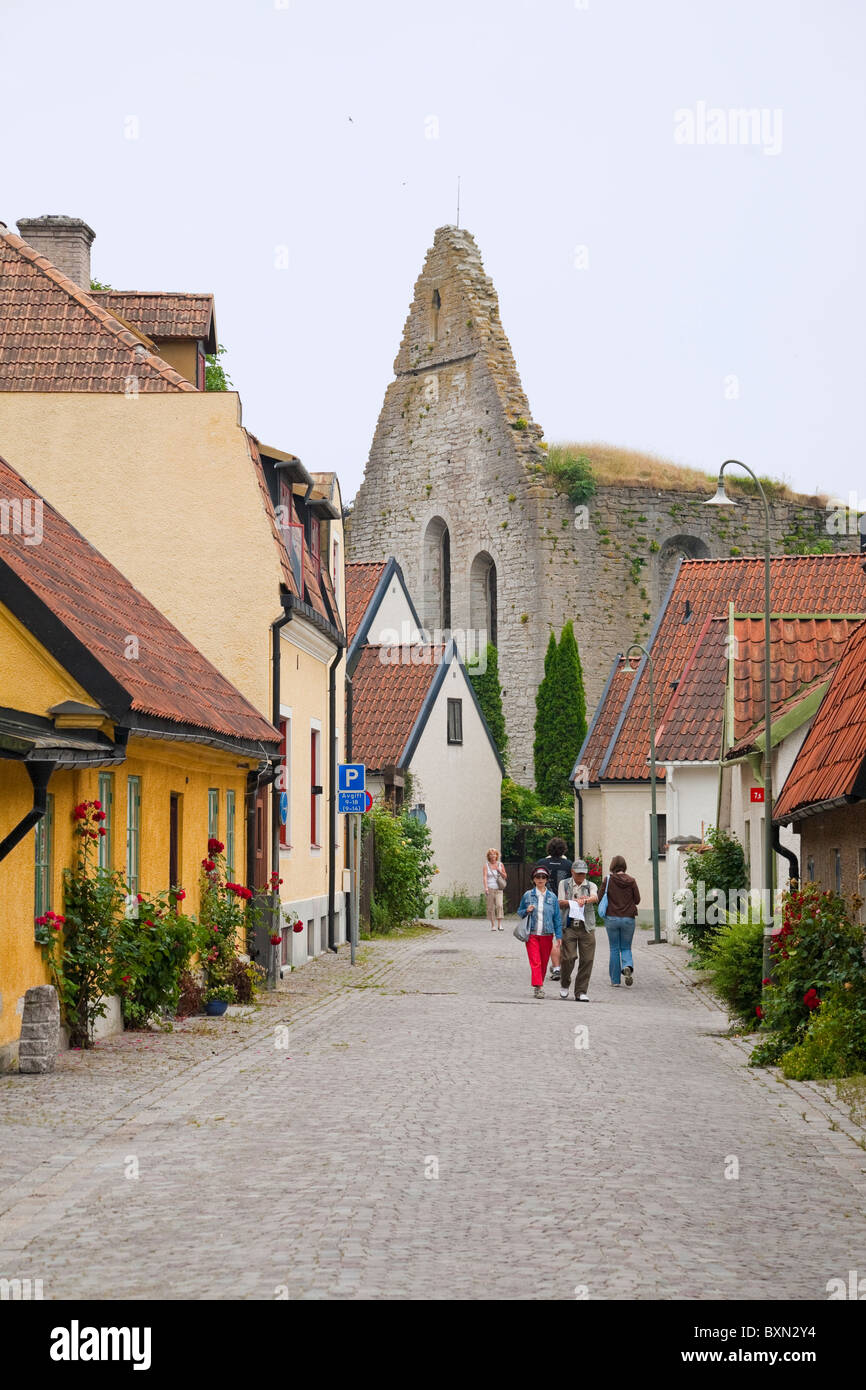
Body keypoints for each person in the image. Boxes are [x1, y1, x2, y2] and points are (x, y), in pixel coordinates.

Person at [517, 867, 561, 999]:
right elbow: (520, 912)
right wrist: (526, 911)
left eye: (543, 877)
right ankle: (539, 987)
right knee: (535, 961)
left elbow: (557, 918)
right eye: (537, 877)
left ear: (547, 879)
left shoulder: (552, 897)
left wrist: (559, 936)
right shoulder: (528, 895)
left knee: (543, 962)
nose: (540, 879)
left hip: (547, 935)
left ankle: (538, 984)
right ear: (533, 879)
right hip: (532, 934)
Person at [557, 860, 598, 1001]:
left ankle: (581, 991)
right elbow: (560, 902)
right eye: (579, 873)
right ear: (572, 872)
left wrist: (585, 900)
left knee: (587, 960)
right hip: (569, 926)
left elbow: (595, 897)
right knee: (568, 958)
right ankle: (564, 983)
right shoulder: (564, 884)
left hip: (586, 927)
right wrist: (574, 902)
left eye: (583, 873)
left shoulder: (590, 885)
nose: (581, 876)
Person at [534, 837, 572, 980]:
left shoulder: (541, 863)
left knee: (548, 937)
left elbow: (535, 883)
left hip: (546, 904)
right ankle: (558, 966)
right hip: (563, 904)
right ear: (563, 849)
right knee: (560, 937)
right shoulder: (568, 864)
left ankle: (556, 968)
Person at [601, 854, 641, 987]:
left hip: (612, 918)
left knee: (614, 948)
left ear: (612, 866)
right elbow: (637, 900)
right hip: (628, 919)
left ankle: (615, 981)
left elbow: (600, 897)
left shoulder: (608, 880)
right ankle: (627, 966)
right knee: (626, 947)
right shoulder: (632, 881)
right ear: (624, 866)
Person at [482, 848, 507, 931]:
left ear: (497, 855)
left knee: (499, 905)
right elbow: (485, 877)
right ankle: (493, 925)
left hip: (499, 888)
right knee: (490, 907)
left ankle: (499, 924)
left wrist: (499, 871)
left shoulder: (500, 864)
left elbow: (505, 876)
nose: (493, 856)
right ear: (488, 856)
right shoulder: (486, 865)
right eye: (491, 854)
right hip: (490, 888)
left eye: (494, 854)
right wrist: (486, 887)